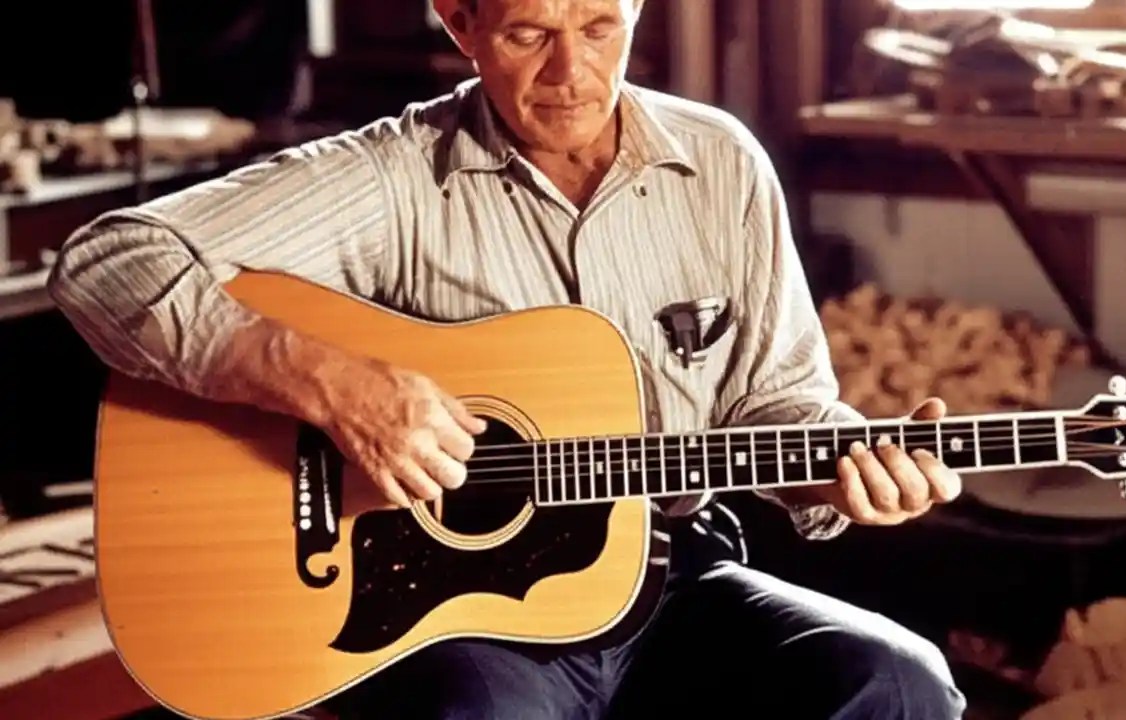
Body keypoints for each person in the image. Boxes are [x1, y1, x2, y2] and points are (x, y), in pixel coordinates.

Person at [47, 0, 969, 717]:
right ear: (461, 21)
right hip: (455, 609)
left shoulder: (723, 164)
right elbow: (107, 262)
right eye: (529, 31)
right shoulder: (395, 176)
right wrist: (332, 384)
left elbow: (779, 402)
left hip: (674, 574)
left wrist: (838, 473)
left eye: (600, 25)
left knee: (897, 683)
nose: (573, 71)